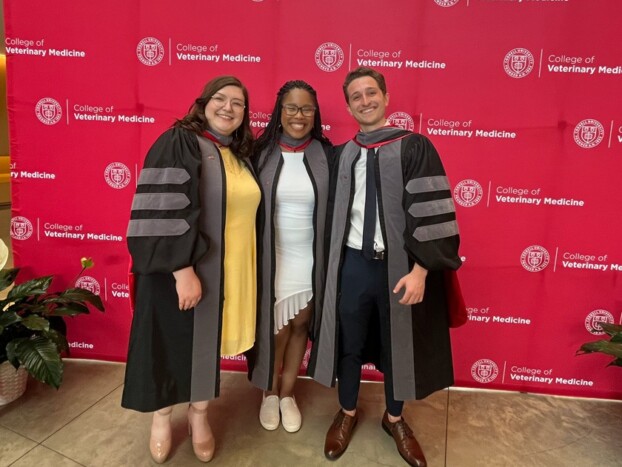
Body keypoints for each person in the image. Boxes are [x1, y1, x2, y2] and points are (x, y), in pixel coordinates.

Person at [307, 67, 462, 467]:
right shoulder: (343, 155)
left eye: (371, 93)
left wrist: (422, 270)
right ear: (347, 105)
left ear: (386, 97)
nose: (365, 101)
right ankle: (347, 411)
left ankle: (394, 419)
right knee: (350, 341)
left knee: (399, 345)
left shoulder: (414, 147)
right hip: (353, 265)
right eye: (356, 96)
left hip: (400, 269)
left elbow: (433, 214)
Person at [122, 76, 265, 463]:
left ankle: (200, 416)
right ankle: (162, 419)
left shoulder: (238, 154)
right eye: (221, 99)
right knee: (168, 343)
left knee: (204, 347)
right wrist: (181, 268)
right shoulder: (180, 141)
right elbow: (164, 207)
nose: (229, 108)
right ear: (203, 103)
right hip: (178, 269)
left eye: (238, 103)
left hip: (223, 272)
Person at [249, 80, 332, 433]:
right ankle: (268, 393)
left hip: (310, 259)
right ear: (279, 113)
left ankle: (287, 394)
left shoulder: (328, 155)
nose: (299, 116)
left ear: (316, 114)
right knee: (276, 329)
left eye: (307, 109)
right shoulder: (258, 153)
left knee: (300, 326)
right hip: (273, 257)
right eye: (292, 108)